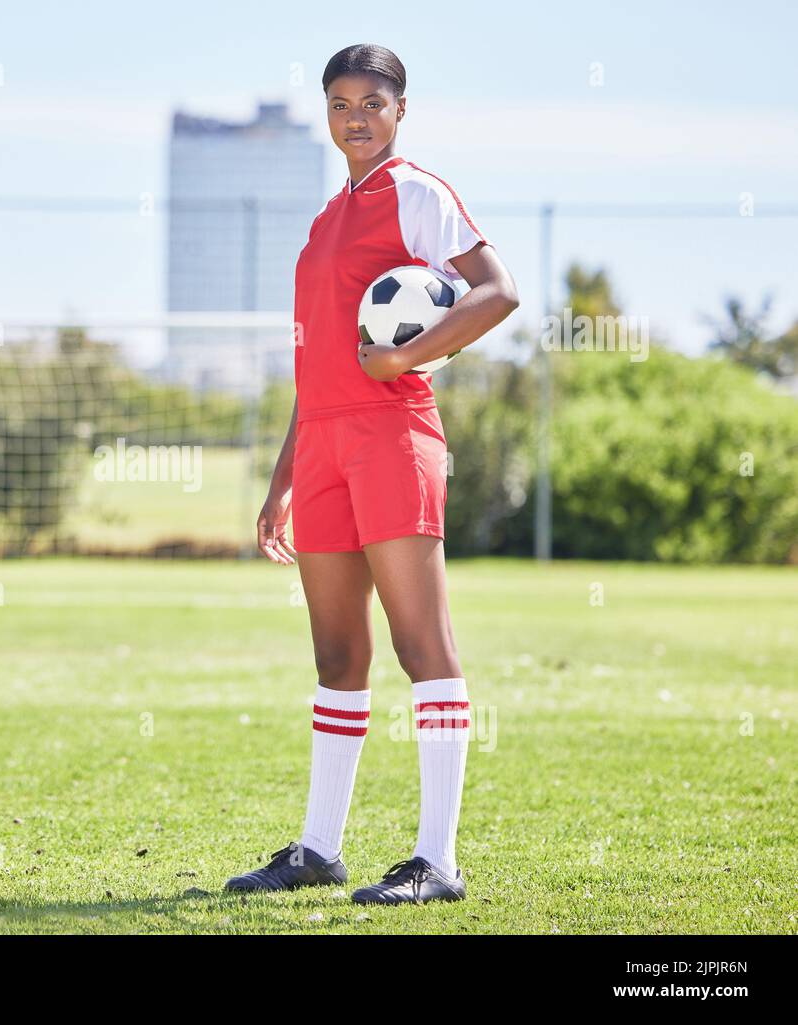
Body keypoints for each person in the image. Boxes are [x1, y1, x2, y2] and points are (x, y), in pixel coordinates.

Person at [224, 43, 520, 905]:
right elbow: (311, 364)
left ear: (400, 111)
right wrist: (282, 478)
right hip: (319, 446)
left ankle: (438, 860)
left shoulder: (417, 193)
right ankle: (318, 847)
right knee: (336, 651)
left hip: (392, 436)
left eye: (372, 103)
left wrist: (410, 358)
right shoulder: (323, 221)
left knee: (419, 641)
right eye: (341, 102)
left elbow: (497, 292)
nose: (356, 116)